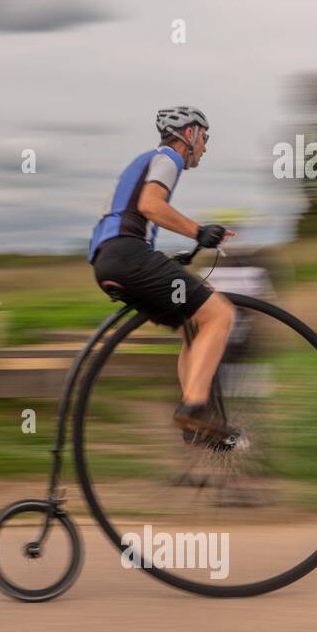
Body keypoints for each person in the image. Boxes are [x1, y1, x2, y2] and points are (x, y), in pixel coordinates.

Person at [87, 106, 238, 443]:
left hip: (109, 262)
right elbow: (150, 206)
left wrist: (170, 259)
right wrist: (198, 231)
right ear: (189, 134)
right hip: (128, 256)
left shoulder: (144, 161)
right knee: (220, 314)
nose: (205, 147)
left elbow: (133, 216)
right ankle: (195, 408)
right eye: (205, 137)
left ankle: (195, 420)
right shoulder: (169, 158)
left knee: (194, 324)